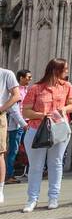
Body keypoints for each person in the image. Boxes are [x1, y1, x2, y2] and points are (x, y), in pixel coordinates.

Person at [21, 58, 72, 212]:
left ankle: (53, 197)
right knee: (36, 166)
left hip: (59, 129)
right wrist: (43, 114)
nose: (67, 72)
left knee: (56, 163)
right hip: (37, 129)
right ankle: (32, 199)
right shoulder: (36, 88)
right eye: (64, 69)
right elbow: (25, 111)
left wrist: (63, 110)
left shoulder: (67, 86)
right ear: (55, 70)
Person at [0, 66, 22, 206]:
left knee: (0, 153)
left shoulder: (6, 74)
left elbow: (16, 95)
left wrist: (1, 109)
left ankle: (0, 189)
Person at [5, 68, 31, 185]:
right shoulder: (15, 92)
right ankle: (9, 175)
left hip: (26, 122)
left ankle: (30, 171)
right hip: (17, 125)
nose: (30, 79)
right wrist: (23, 124)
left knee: (30, 148)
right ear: (21, 78)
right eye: (28, 77)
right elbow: (14, 110)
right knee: (13, 150)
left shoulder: (26, 90)